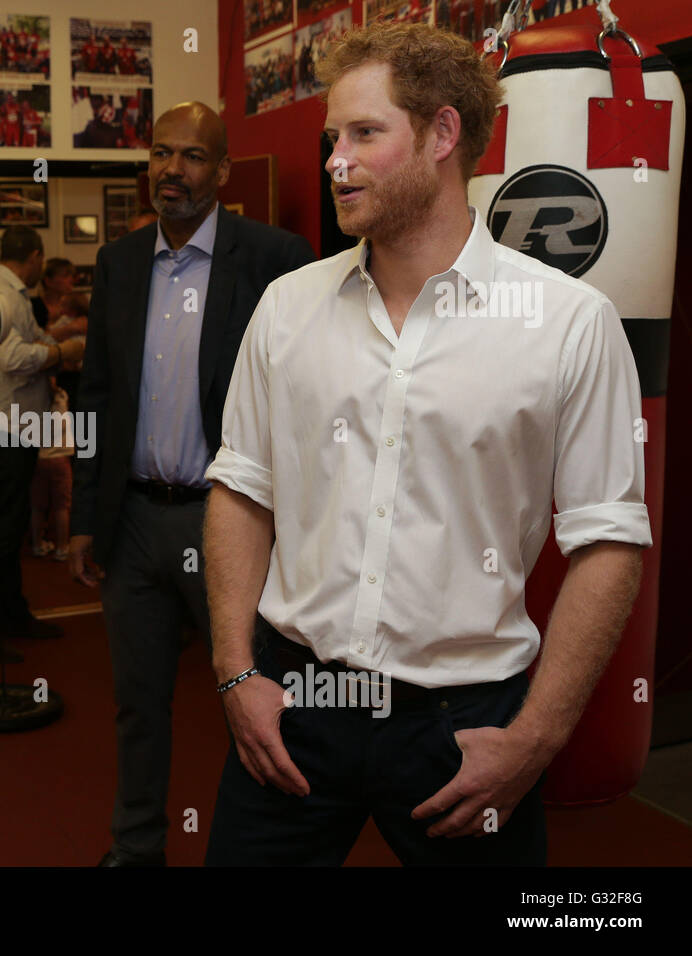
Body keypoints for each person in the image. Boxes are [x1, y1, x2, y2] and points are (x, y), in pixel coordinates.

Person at [203, 22, 649, 865]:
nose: (336, 160)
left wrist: (537, 735)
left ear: (444, 135)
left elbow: (608, 541)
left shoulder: (567, 324)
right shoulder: (287, 307)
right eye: (332, 137)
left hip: (466, 724)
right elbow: (241, 488)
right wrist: (235, 673)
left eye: (365, 134)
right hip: (295, 701)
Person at [69, 101, 314, 866]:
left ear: (222, 170)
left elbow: (308, 396)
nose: (172, 170)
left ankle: (265, 851)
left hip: (230, 521)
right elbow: (97, 395)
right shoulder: (118, 263)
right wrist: (84, 514)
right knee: (138, 705)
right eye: (160, 152)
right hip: (136, 518)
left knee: (260, 699)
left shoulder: (276, 258)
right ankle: (135, 847)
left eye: (193, 156)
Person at [0, 226, 84, 663]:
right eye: (40, 261)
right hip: (2, 431)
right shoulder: (4, 298)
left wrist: (51, 346)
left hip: (14, 428)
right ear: (33, 257)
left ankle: (12, 613)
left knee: (7, 531)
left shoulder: (4, 295)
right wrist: (63, 351)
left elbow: (32, 341)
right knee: (0, 532)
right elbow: (13, 358)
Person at [29, 377, 75, 561]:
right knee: (62, 506)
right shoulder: (61, 397)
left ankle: (37, 545)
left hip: (39, 459)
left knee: (38, 506)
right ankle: (62, 547)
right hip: (60, 459)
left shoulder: (32, 403)